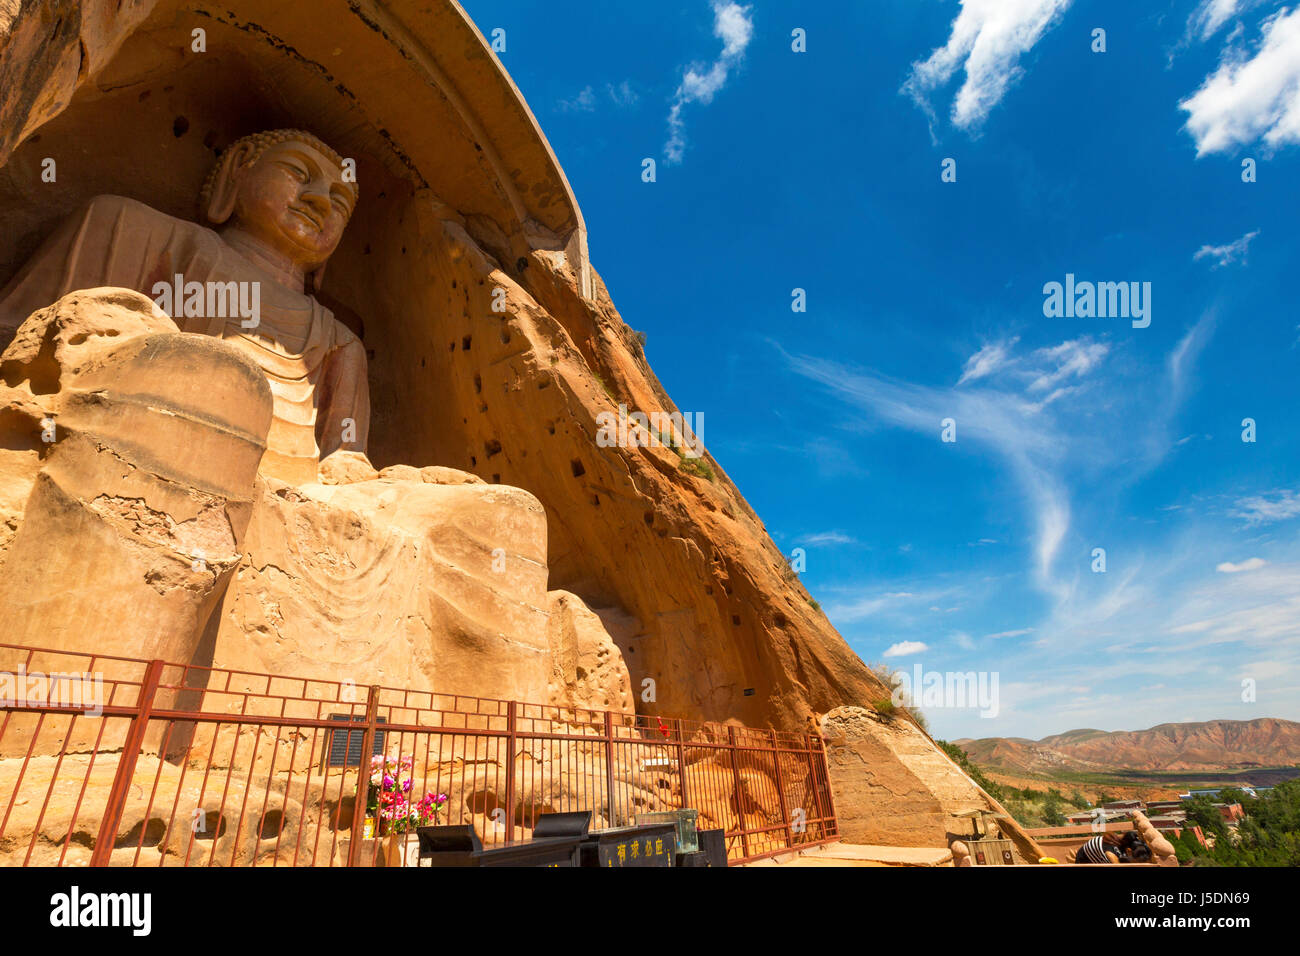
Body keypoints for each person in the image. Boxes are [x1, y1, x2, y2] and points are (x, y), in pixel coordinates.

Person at [1075, 829, 1152, 864]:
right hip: (1084, 862)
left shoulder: (1119, 845)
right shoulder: (1111, 855)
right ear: (1128, 851)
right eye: (1138, 863)